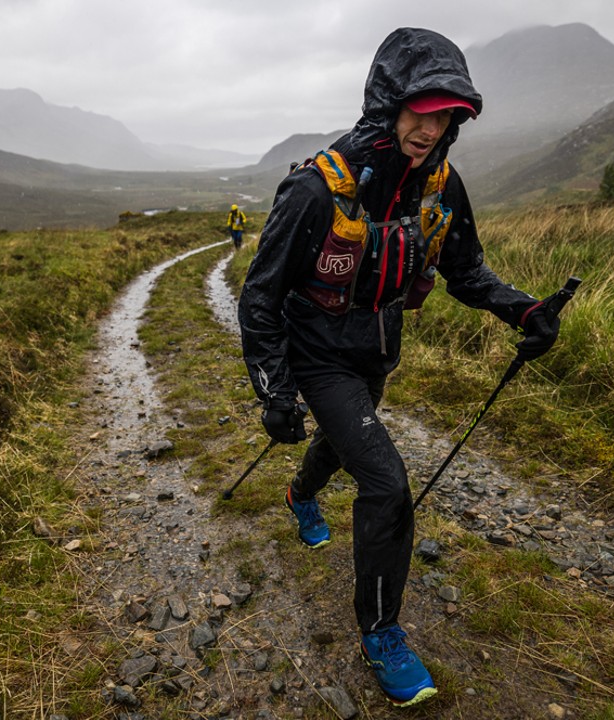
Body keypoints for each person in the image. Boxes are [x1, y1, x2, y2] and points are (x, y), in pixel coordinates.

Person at [237, 27, 560, 707]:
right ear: (389, 101)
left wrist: (524, 311)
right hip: (317, 354)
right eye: (422, 109)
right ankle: (381, 633)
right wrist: (274, 387)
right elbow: (261, 296)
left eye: (448, 116)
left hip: (378, 350)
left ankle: (300, 495)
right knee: (385, 480)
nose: (432, 128)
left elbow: (466, 270)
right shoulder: (317, 190)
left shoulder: (440, 186)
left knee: (342, 439)